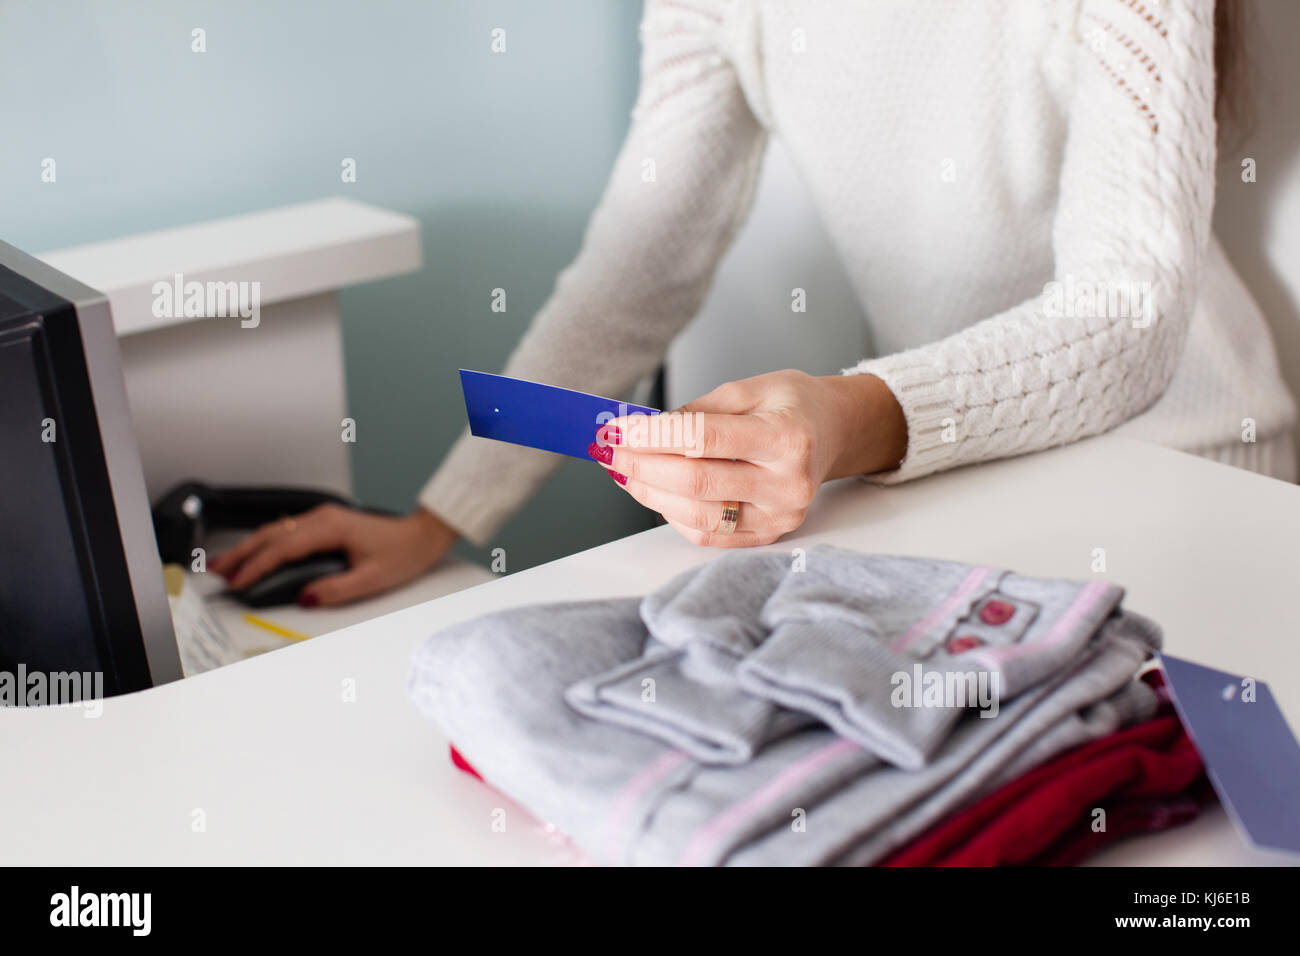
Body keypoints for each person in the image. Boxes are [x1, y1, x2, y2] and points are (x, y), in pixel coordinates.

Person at [213, 0, 1296, 606]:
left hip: (1193, 472)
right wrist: (435, 519)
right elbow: (641, 263)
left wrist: (848, 417)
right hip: (961, 489)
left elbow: (1127, 308)